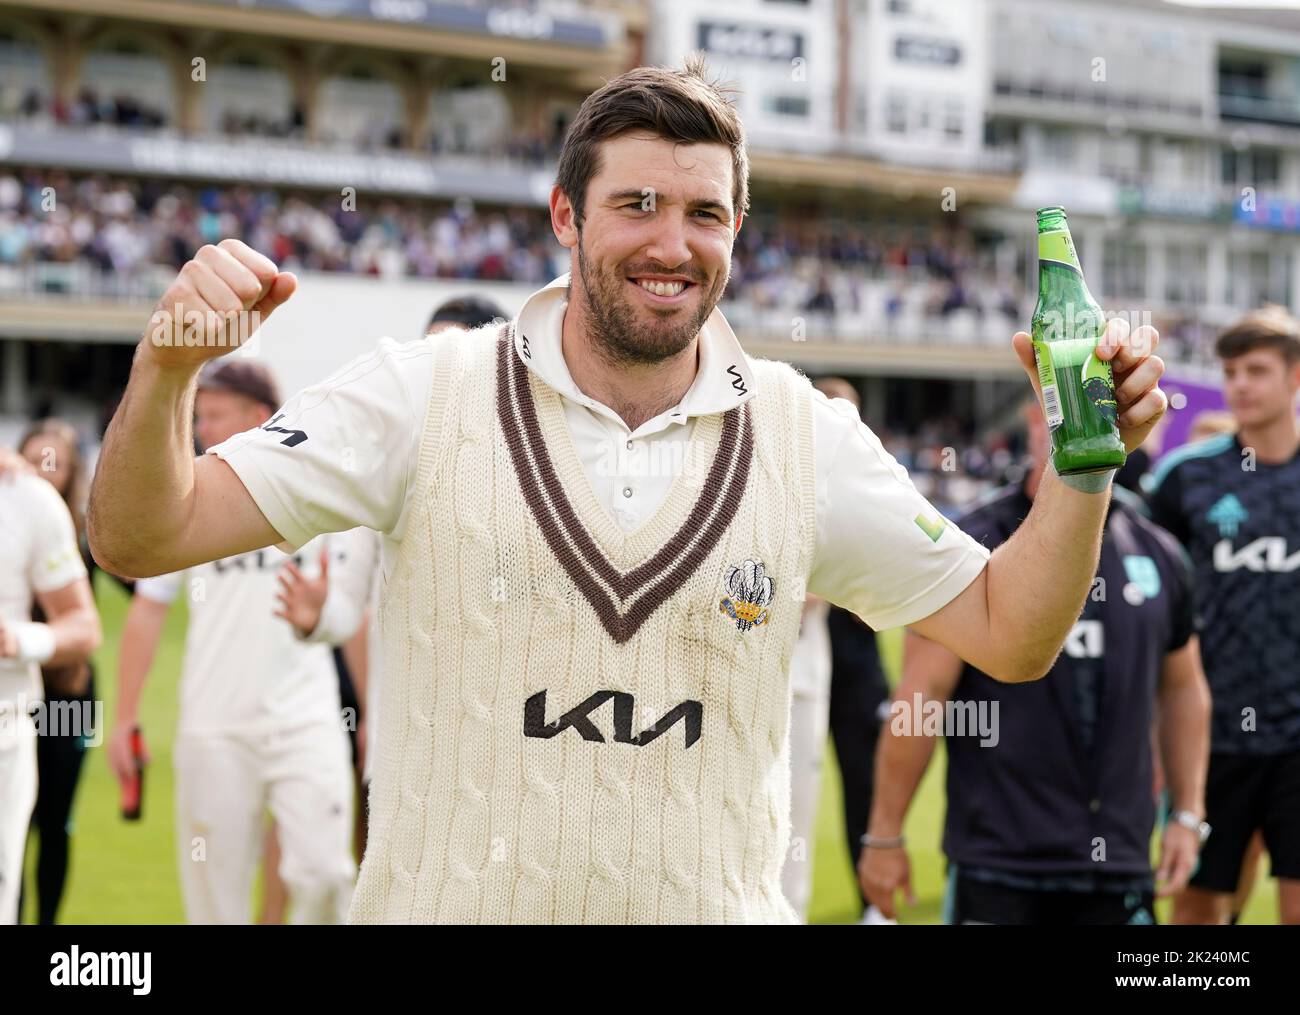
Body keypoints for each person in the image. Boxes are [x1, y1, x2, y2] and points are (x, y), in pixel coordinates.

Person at [87, 57, 1168, 924]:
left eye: (705, 213)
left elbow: (1010, 633)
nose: (671, 243)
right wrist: (168, 367)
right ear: (565, 216)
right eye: (636, 203)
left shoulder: (803, 432)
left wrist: (1084, 467)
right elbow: (143, 534)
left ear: (737, 232)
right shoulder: (424, 394)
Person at [861, 398, 1210, 924]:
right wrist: (885, 834)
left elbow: (1184, 688)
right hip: (999, 862)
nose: (1073, 431)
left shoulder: (1157, 550)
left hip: (1119, 863)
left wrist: (1186, 812)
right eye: (1057, 413)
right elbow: (922, 696)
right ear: (1030, 420)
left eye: (1091, 413)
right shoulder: (969, 542)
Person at [106, 361, 372, 925]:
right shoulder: (185, 497)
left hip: (307, 720)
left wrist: (371, 712)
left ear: (258, 417)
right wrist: (125, 717)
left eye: (214, 415)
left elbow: (352, 615)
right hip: (214, 725)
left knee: (326, 873)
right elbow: (147, 615)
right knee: (215, 901)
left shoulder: (319, 488)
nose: (201, 429)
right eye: (198, 417)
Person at [1145, 307, 1300, 925]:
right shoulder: (1187, 478)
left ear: (1294, 378)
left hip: (1299, 740)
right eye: (1231, 371)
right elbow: (1150, 598)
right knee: (1198, 921)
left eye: (1257, 371)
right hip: (1211, 737)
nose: (1239, 384)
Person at [0, 447, 100, 924]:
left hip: (52, 703)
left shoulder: (38, 507)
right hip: (42, 695)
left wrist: (19, 639)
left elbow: (86, 625)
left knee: (56, 820)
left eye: (60, 462)